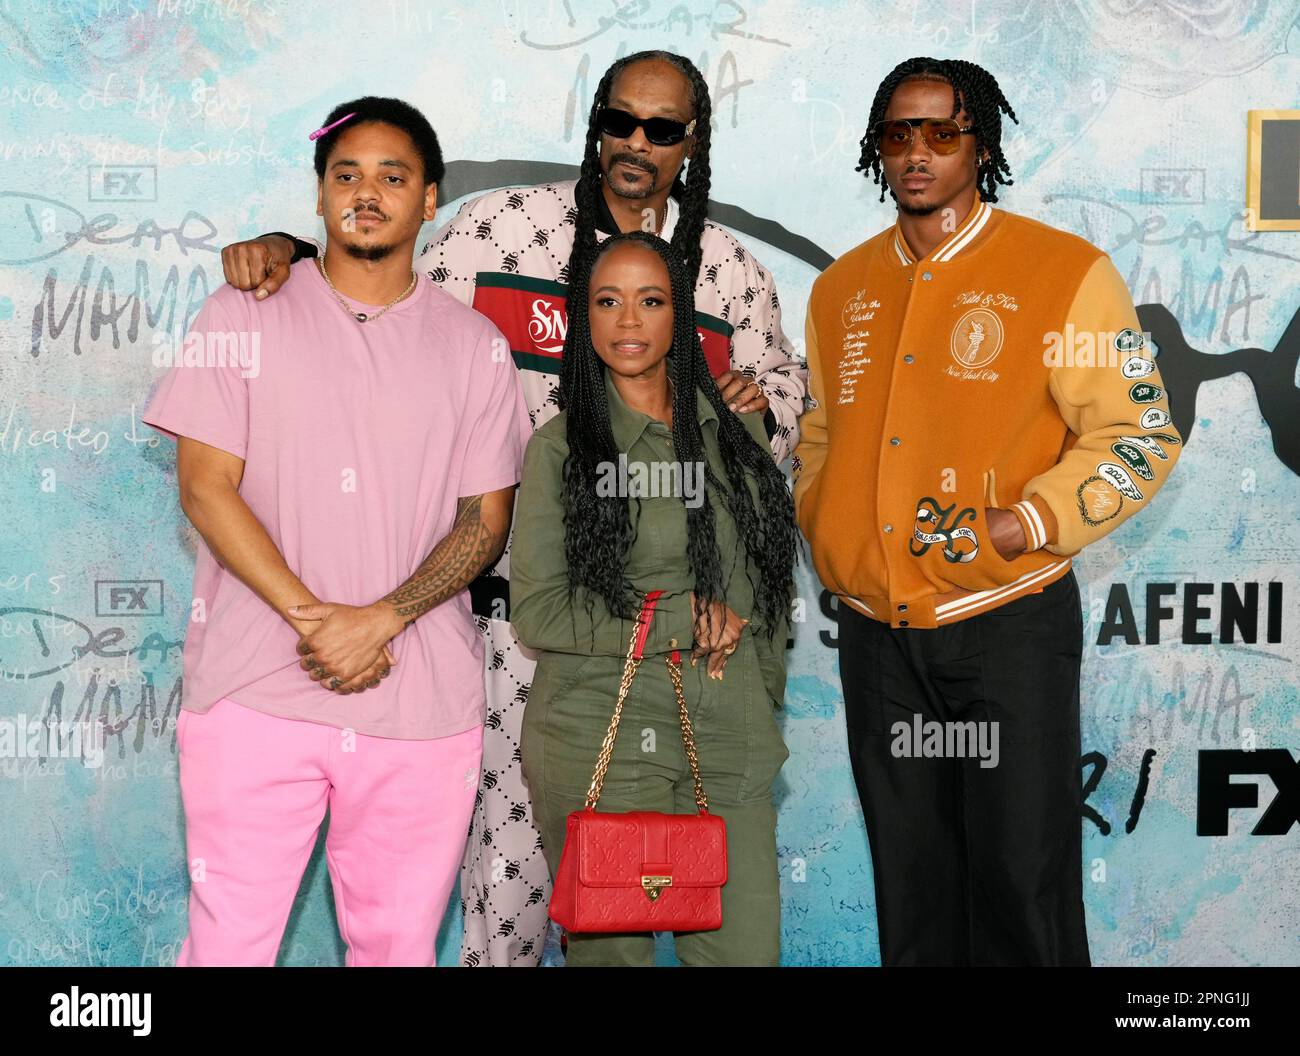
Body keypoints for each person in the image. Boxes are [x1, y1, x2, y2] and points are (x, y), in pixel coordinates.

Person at [217, 50, 807, 966]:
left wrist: (765, 409)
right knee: (515, 889)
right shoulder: (496, 230)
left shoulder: (731, 273)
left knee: (713, 911)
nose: (635, 143)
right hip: (525, 626)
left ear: (694, 141)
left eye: (662, 128)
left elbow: (781, 406)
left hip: (698, 648)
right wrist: (289, 254)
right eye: (620, 119)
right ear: (596, 122)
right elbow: (381, 278)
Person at [794, 57, 1183, 966]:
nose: (918, 152)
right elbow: (819, 433)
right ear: (876, 149)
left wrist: (1030, 520)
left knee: (1019, 883)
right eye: (899, 133)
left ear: (982, 145)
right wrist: (824, 520)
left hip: (1002, 626)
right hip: (876, 638)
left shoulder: (1064, 270)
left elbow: (1141, 433)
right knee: (914, 885)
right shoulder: (840, 287)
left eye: (943, 131)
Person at [141, 96, 529, 966]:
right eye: (345, 175)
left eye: (393, 177)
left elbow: (485, 522)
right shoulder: (240, 313)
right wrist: (318, 620)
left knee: (396, 950)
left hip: (419, 704)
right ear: (318, 196)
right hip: (253, 692)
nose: (367, 193)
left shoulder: (473, 347)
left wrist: (378, 620)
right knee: (228, 947)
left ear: (429, 199)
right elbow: (206, 489)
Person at [509, 231, 798, 966]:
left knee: (745, 956)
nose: (628, 322)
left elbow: (761, 587)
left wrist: (762, 707)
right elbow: (538, 611)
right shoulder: (561, 450)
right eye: (607, 302)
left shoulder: (738, 430)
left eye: (650, 301)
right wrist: (681, 618)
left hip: (728, 736)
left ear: (682, 317)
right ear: (584, 317)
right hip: (600, 735)